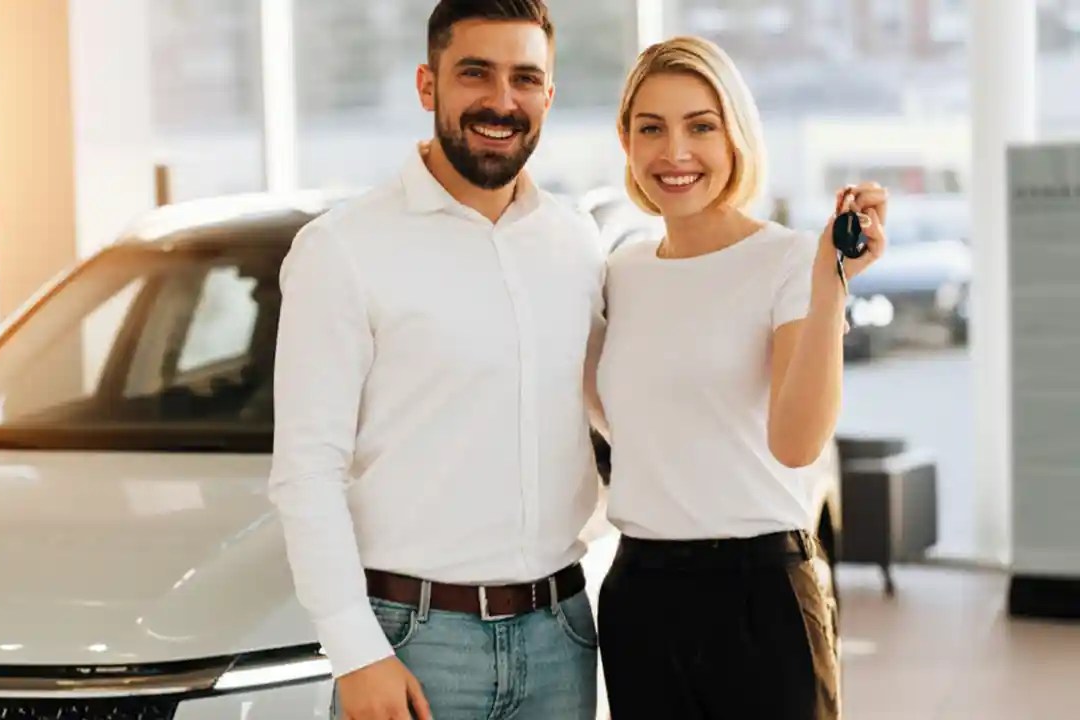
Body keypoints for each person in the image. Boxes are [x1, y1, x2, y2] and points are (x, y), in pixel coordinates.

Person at [267, 2, 607, 718]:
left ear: (548, 94)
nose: (501, 101)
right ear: (429, 85)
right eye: (475, 74)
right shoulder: (343, 249)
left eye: (524, 78)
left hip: (563, 635)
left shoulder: (576, 242)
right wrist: (357, 654)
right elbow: (306, 474)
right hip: (413, 645)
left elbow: (629, 405)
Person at [594, 36, 889, 719]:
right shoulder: (621, 272)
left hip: (759, 594)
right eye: (651, 128)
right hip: (639, 593)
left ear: (737, 136)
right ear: (626, 140)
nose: (675, 153)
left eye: (701, 125)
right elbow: (626, 418)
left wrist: (829, 283)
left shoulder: (789, 261)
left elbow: (796, 443)